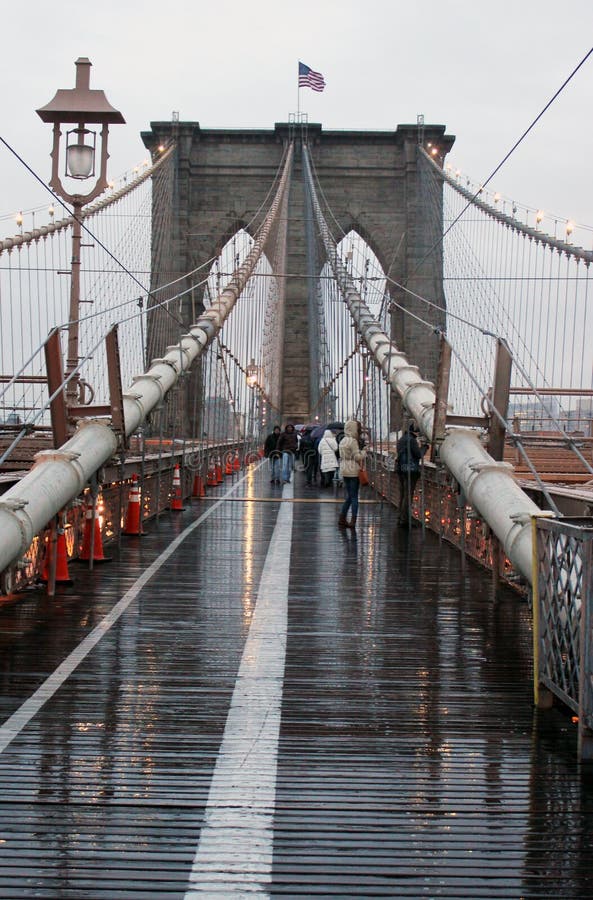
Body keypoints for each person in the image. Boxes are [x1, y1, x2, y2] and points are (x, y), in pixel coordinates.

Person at [396, 423, 427, 526]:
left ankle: (400, 517)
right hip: (410, 470)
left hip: (401, 469)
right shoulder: (411, 440)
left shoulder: (402, 439)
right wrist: (424, 447)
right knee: (408, 496)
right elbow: (418, 455)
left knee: (403, 494)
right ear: (415, 432)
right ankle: (405, 521)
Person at [338, 419, 366, 528]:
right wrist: (364, 452)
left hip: (344, 469)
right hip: (353, 470)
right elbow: (357, 457)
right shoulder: (353, 441)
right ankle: (353, 520)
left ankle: (342, 517)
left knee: (350, 495)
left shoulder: (343, 440)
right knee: (354, 497)